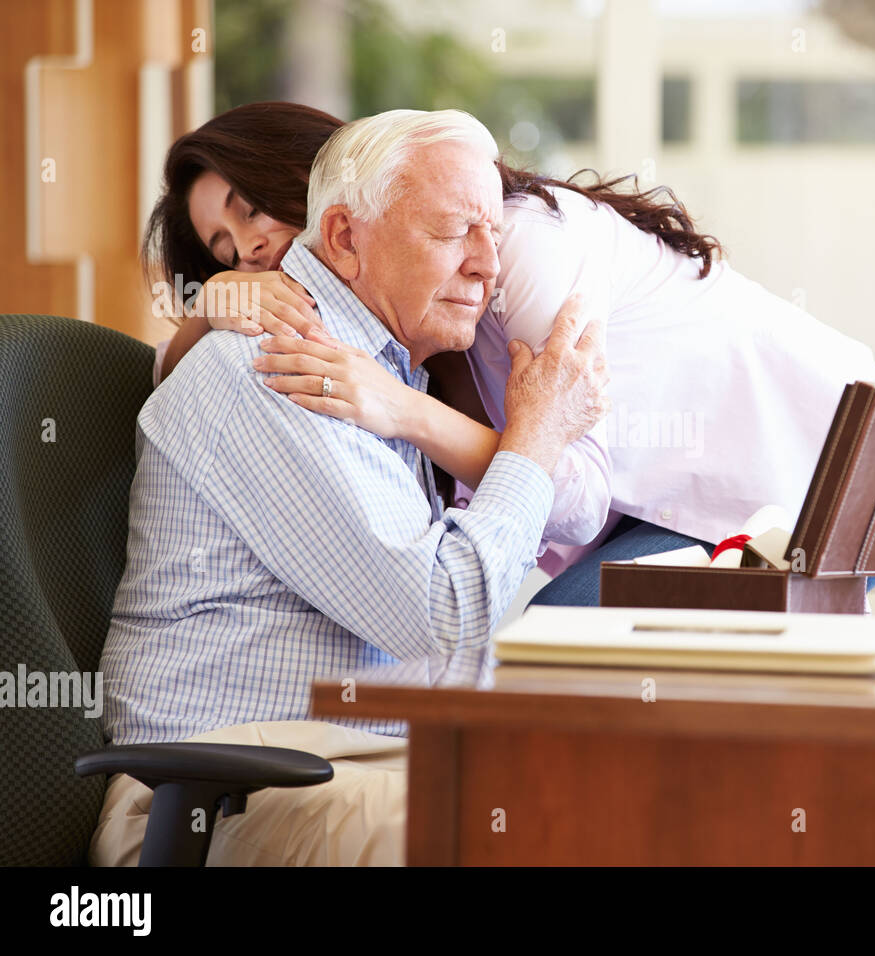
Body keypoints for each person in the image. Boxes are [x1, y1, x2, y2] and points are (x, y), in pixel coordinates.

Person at [92, 113, 610, 864]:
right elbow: (446, 615)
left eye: (491, 236)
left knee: (633, 790)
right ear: (341, 237)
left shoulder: (382, 371)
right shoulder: (275, 367)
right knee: (546, 830)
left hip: (346, 761)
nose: (487, 267)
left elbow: (554, 531)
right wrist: (535, 431)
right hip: (226, 791)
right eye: (452, 231)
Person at [151, 103, 875, 605]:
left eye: (250, 210)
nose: (247, 249)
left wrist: (400, 410)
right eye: (222, 249)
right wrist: (209, 304)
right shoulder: (395, 324)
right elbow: (164, 386)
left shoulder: (509, 247)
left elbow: (577, 492)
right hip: (692, 496)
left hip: (833, 460)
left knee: (558, 661)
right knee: (550, 665)